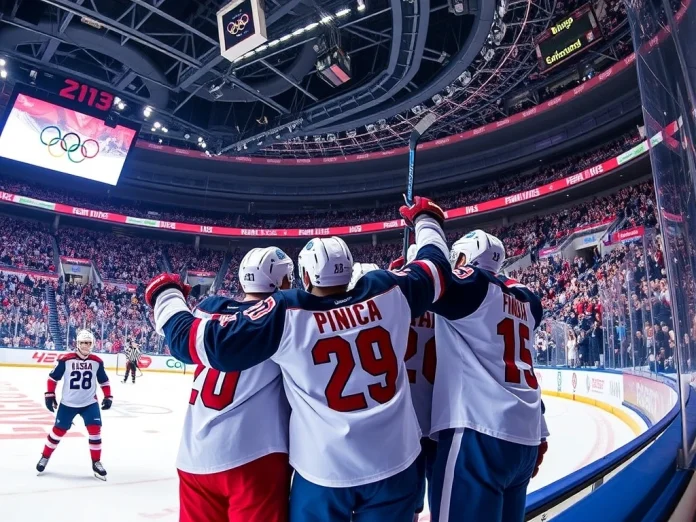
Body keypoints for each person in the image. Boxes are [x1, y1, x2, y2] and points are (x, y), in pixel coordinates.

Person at [146, 197, 450, 522]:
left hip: (322, 471)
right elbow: (435, 267)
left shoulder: (288, 312)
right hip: (396, 461)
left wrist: (165, 296)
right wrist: (427, 220)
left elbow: (203, 344)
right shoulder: (389, 290)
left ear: (304, 276)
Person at [428, 230, 548, 522]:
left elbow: (430, 277)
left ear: (463, 259)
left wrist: (427, 226)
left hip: (479, 431)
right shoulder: (526, 301)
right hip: (525, 436)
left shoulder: (472, 288)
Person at [176, 246, 293, 522]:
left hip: (193, 457)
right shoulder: (284, 317)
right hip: (255, 455)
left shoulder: (206, 311)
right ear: (284, 280)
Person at [389, 245, 438, 521]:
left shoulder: (392, 306)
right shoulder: (448, 307)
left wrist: (393, 275)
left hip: (405, 421)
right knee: (444, 500)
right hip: (441, 416)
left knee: (409, 505)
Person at [37, 329, 112, 480]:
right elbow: (52, 378)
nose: (86, 345)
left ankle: (96, 462)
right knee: (57, 432)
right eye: (83, 342)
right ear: (77, 343)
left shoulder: (97, 361)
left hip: (89, 402)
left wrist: (108, 396)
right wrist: (49, 394)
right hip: (68, 403)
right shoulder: (66, 360)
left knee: (95, 431)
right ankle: (45, 456)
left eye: (89, 342)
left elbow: (104, 380)